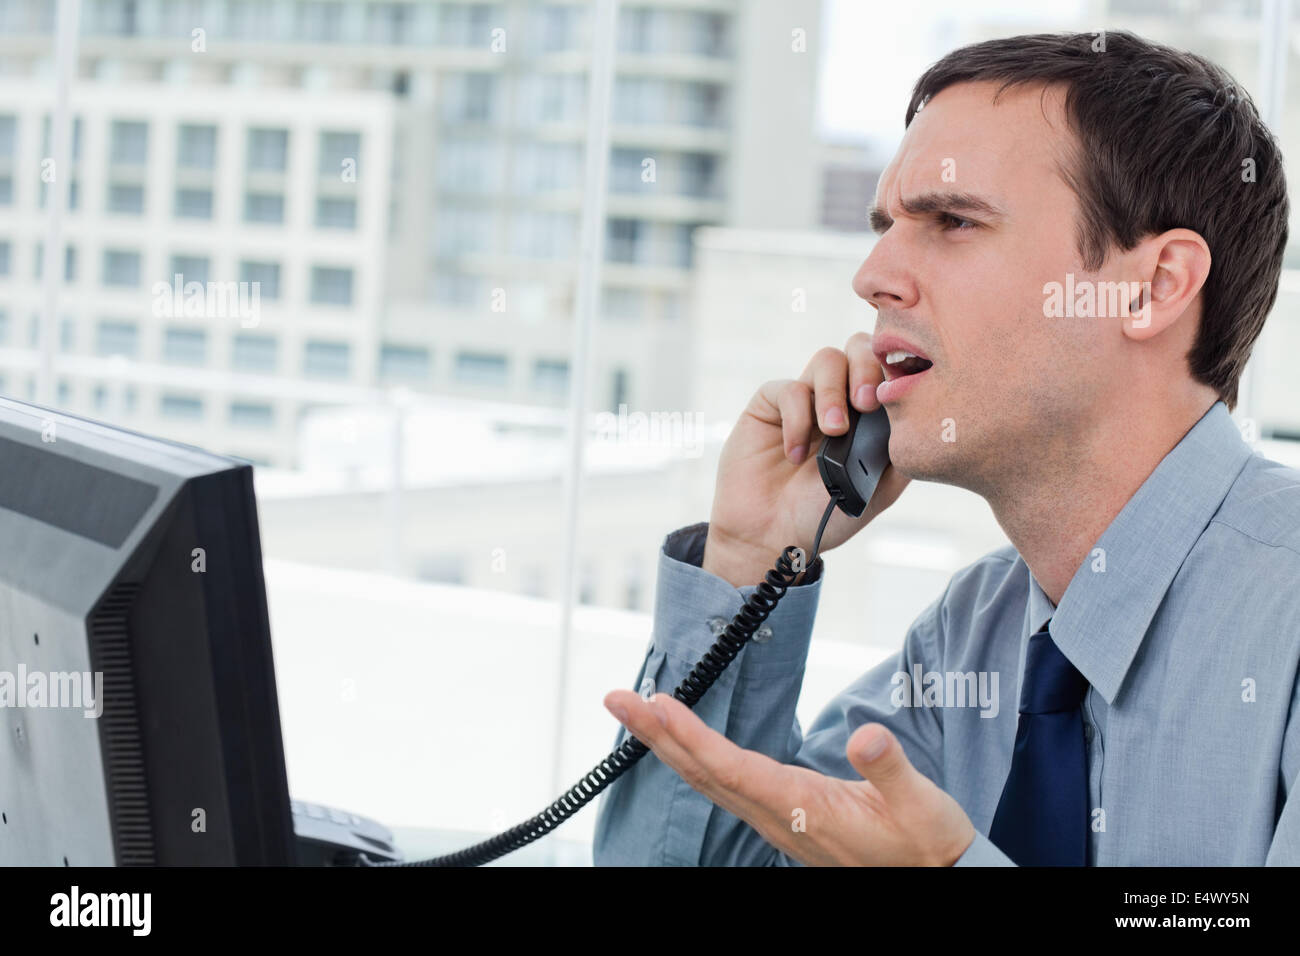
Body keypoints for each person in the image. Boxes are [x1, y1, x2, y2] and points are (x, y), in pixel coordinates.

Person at [592, 30, 1300, 866]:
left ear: (1151, 287)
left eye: (953, 221)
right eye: (885, 224)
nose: (874, 274)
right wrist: (748, 558)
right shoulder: (970, 639)